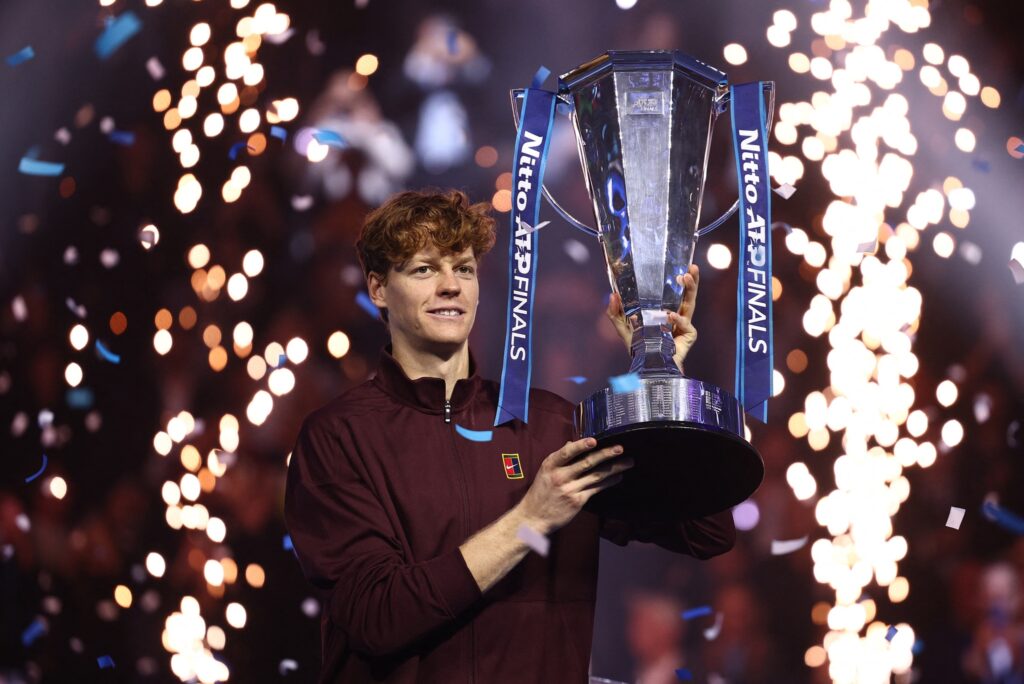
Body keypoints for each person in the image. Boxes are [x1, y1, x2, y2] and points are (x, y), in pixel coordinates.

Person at [284, 189, 735, 683]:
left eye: (464, 269)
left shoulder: (549, 425)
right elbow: (378, 618)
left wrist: (660, 378)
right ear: (378, 288)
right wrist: (530, 520)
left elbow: (706, 531)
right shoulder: (337, 439)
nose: (450, 286)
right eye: (424, 270)